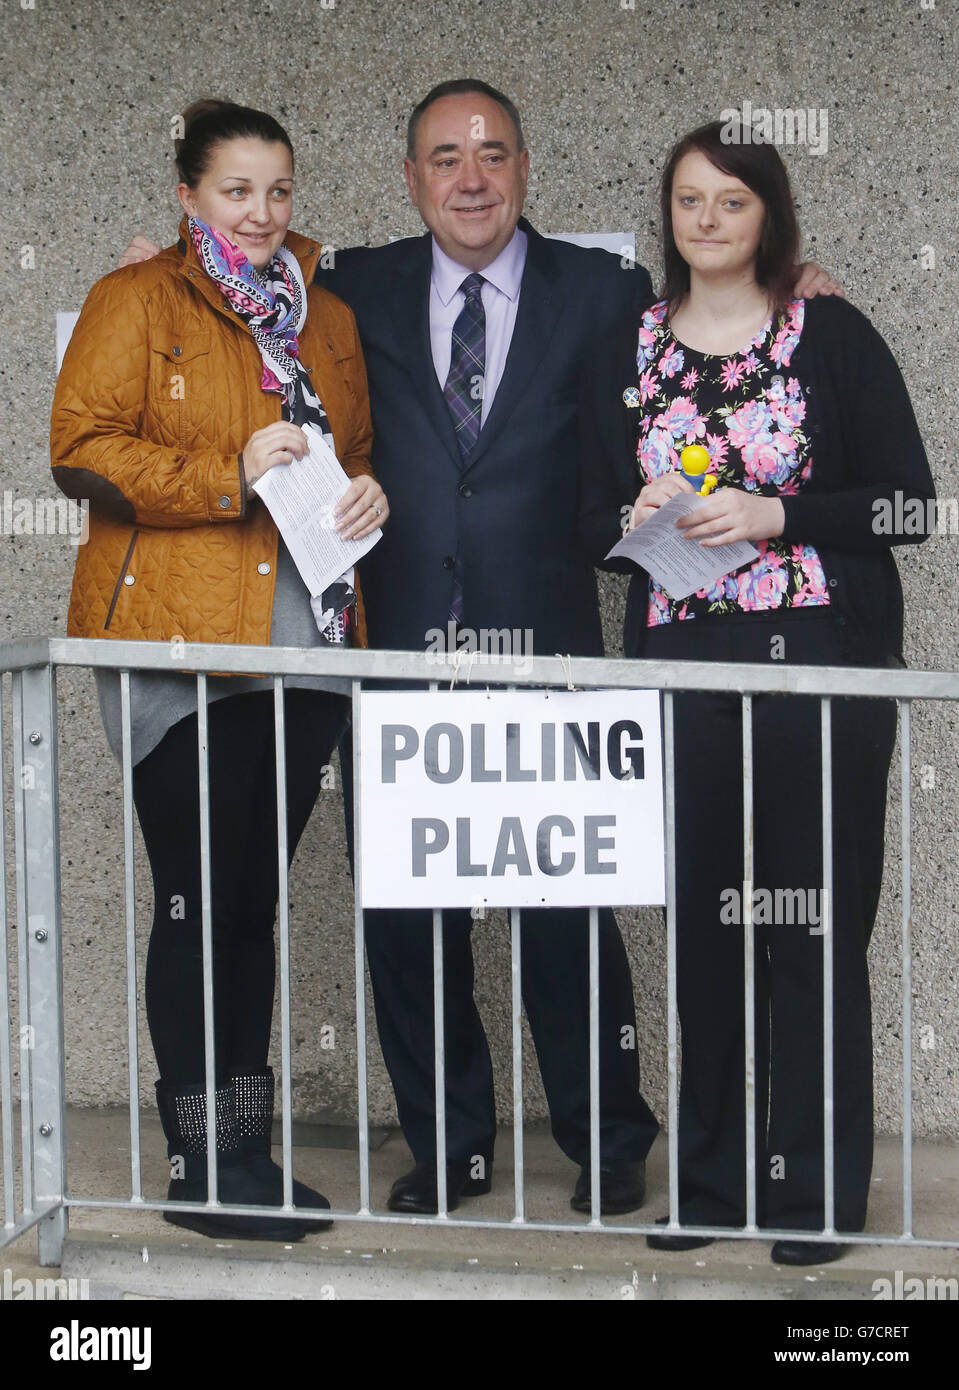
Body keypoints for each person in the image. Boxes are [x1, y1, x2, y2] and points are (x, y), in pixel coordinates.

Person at [117, 79, 841, 1218]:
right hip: (397, 651)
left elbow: (707, 322)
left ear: (522, 169)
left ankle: (607, 1138)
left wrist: (791, 290)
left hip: (548, 653)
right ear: (410, 178)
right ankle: (447, 1147)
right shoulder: (349, 287)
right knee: (408, 914)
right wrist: (162, 270)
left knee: (566, 906)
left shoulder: (602, 292)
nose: (470, 178)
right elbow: (240, 274)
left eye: (492, 154)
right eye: (445, 158)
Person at [579, 121, 935, 1263]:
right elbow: (582, 513)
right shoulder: (628, 344)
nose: (707, 220)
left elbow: (909, 504)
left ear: (767, 216)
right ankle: (711, 1184)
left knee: (809, 929)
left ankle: (814, 1196)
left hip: (817, 666)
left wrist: (779, 513)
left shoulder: (826, 331)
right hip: (683, 667)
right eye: (689, 200)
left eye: (732, 201)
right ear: (668, 213)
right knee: (704, 929)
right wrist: (627, 518)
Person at [51, 99, 387, 1241]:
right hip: (183, 645)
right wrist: (226, 470)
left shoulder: (326, 316)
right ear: (189, 194)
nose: (260, 211)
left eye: (278, 190)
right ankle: (201, 1163)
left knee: (248, 904)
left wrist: (369, 495)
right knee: (197, 900)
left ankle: (241, 1151)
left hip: (307, 646)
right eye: (236, 190)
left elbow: (355, 455)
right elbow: (79, 449)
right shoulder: (136, 296)